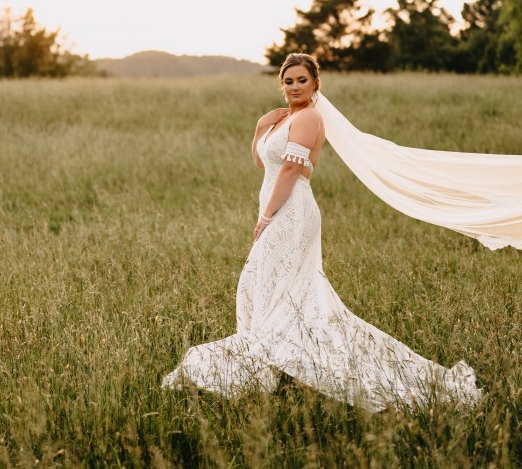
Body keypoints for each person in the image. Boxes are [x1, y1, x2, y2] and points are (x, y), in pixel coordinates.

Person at [162, 53, 482, 412]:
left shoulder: (311, 117)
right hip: (278, 208)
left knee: (272, 284)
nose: (295, 86)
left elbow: (290, 171)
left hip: (291, 211)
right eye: (288, 80)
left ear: (315, 83)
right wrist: (259, 128)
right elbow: (261, 162)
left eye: (302, 80)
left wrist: (267, 217)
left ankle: (280, 359)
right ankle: (269, 365)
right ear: (280, 84)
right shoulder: (286, 119)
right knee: (267, 286)